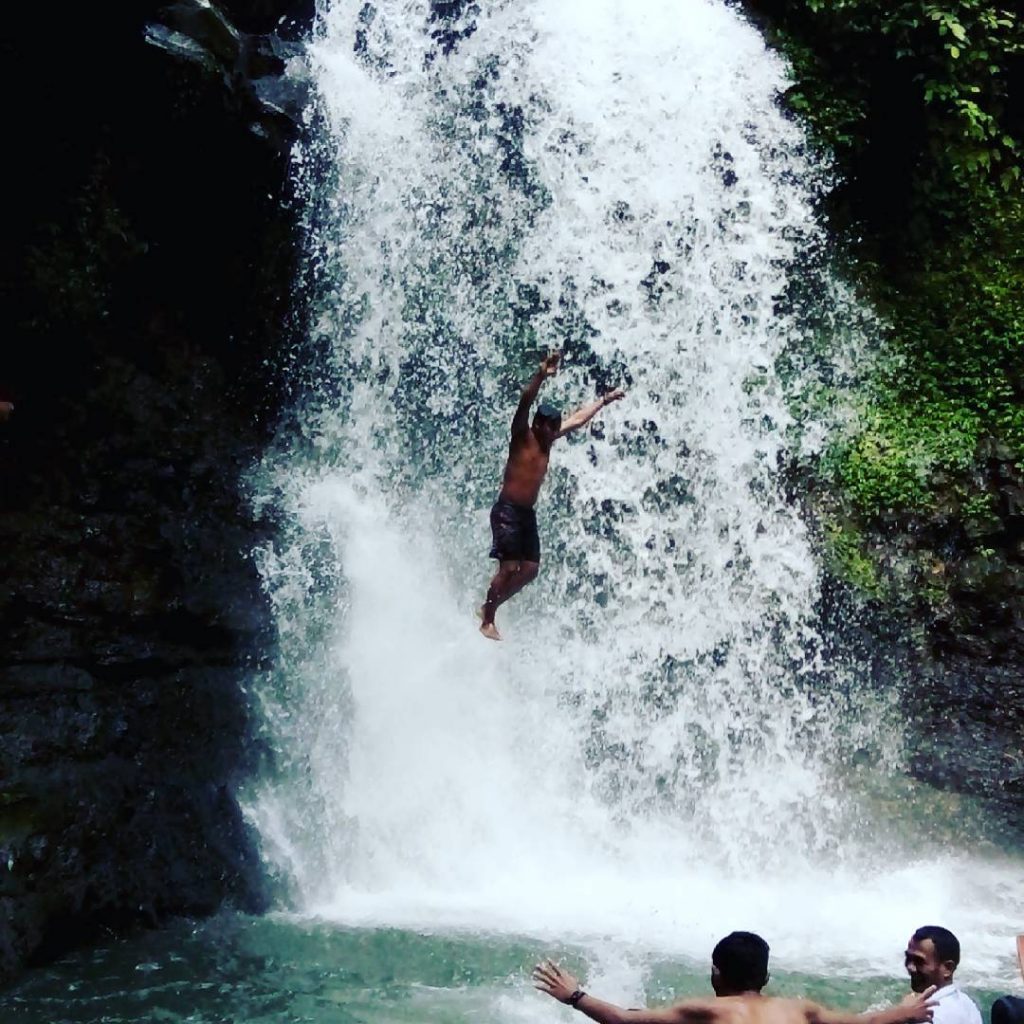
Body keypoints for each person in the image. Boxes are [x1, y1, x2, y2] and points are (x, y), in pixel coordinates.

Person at [479, 350, 625, 640]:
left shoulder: (549, 439)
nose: (553, 433)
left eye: (555, 429)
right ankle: (487, 620)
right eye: (550, 428)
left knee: (530, 569)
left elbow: (579, 419)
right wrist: (541, 376)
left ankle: (488, 606)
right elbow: (525, 401)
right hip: (507, 510)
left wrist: (604, 401)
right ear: (537, 424)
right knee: (508, 567)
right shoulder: (523, 435)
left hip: (525, 515)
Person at [533, 930, 938, 1024]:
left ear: (716, 973)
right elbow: (862, 1022)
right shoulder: (800, 1009)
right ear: (765, 976)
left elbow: (622, 1020)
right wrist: (905, 1011)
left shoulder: (708, 1010)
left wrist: (574, 995)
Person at [902, 927, 981, 1024]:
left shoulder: (930, 1015)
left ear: (948, 968)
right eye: (908, 958)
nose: (910, 967)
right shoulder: (967, 1004)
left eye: (919, 961)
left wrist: (902, 1014)